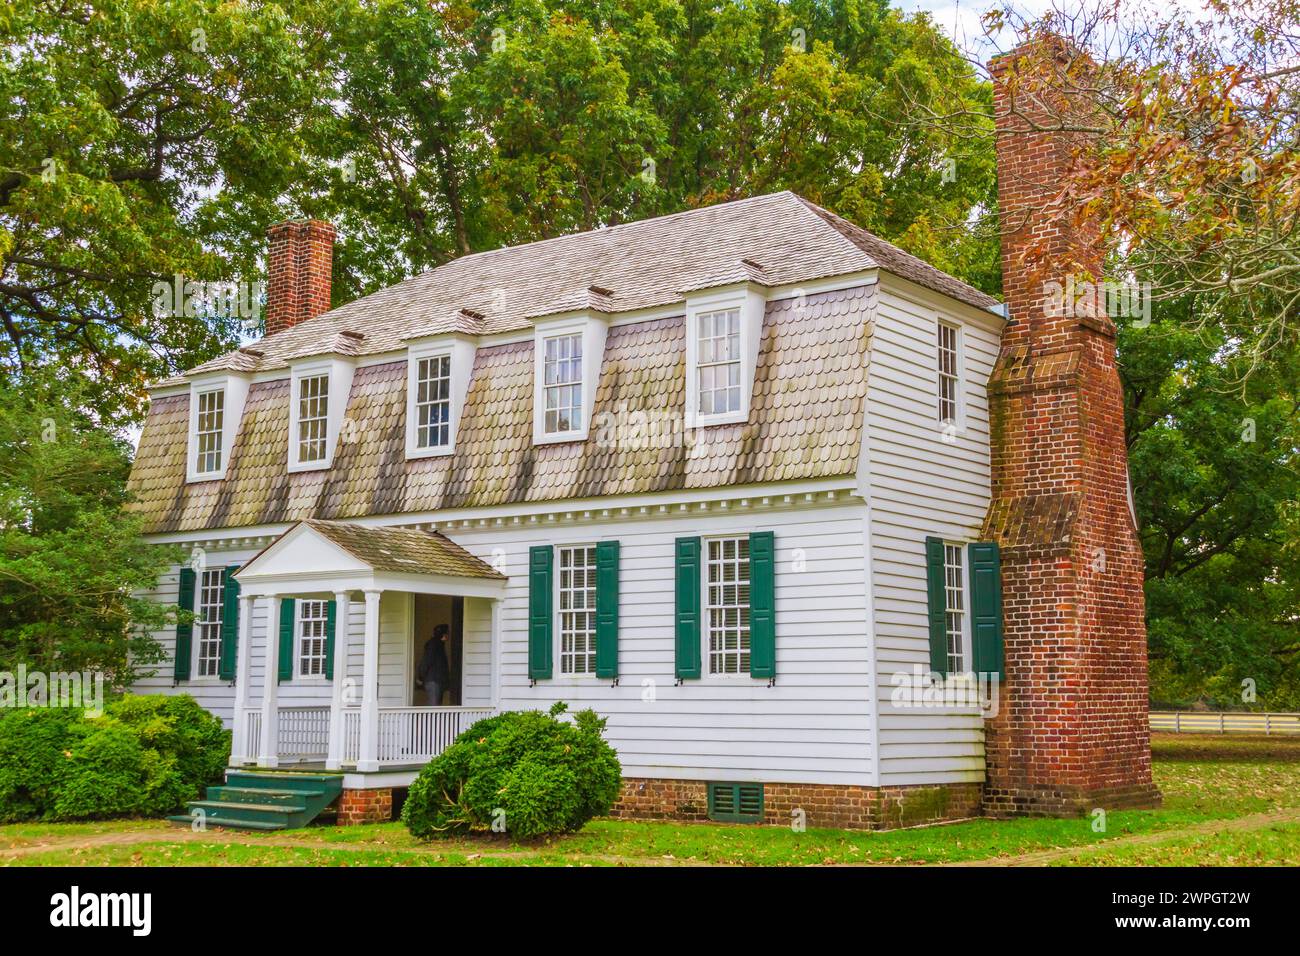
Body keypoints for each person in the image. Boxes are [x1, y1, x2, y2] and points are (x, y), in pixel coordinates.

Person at [417, 623, 450, 706]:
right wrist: (421, 677)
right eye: (447, 632)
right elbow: (427, 661)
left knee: (436, 708)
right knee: (433, 708)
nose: (448, 634)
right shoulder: (434, 644)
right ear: (443, 634)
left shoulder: (439, 645)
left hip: (437, 681)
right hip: (433, 681)